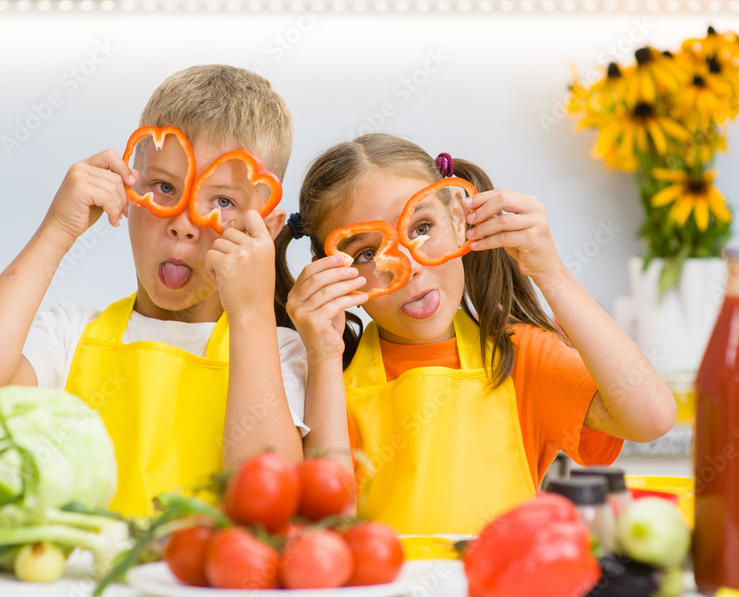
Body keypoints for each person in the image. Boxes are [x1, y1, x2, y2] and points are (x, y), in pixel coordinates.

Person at [0, 65, 307, 516]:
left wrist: (251, 313)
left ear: (264, 230)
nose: (184, 225)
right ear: (129, 192)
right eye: (165, 187)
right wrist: (57, 230)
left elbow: (270, 498)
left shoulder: (279, 353)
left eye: (223, 201)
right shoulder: (71, 337)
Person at [275, 133, 676, 535]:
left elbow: (651, 417)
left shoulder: (518, 357)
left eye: (422, 227)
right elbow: (325, 526)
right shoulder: (329, 381)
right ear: (336, 275)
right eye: (367, 253)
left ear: (457, 219)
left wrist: (551, 272)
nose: (410, 268)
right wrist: (323, 357)